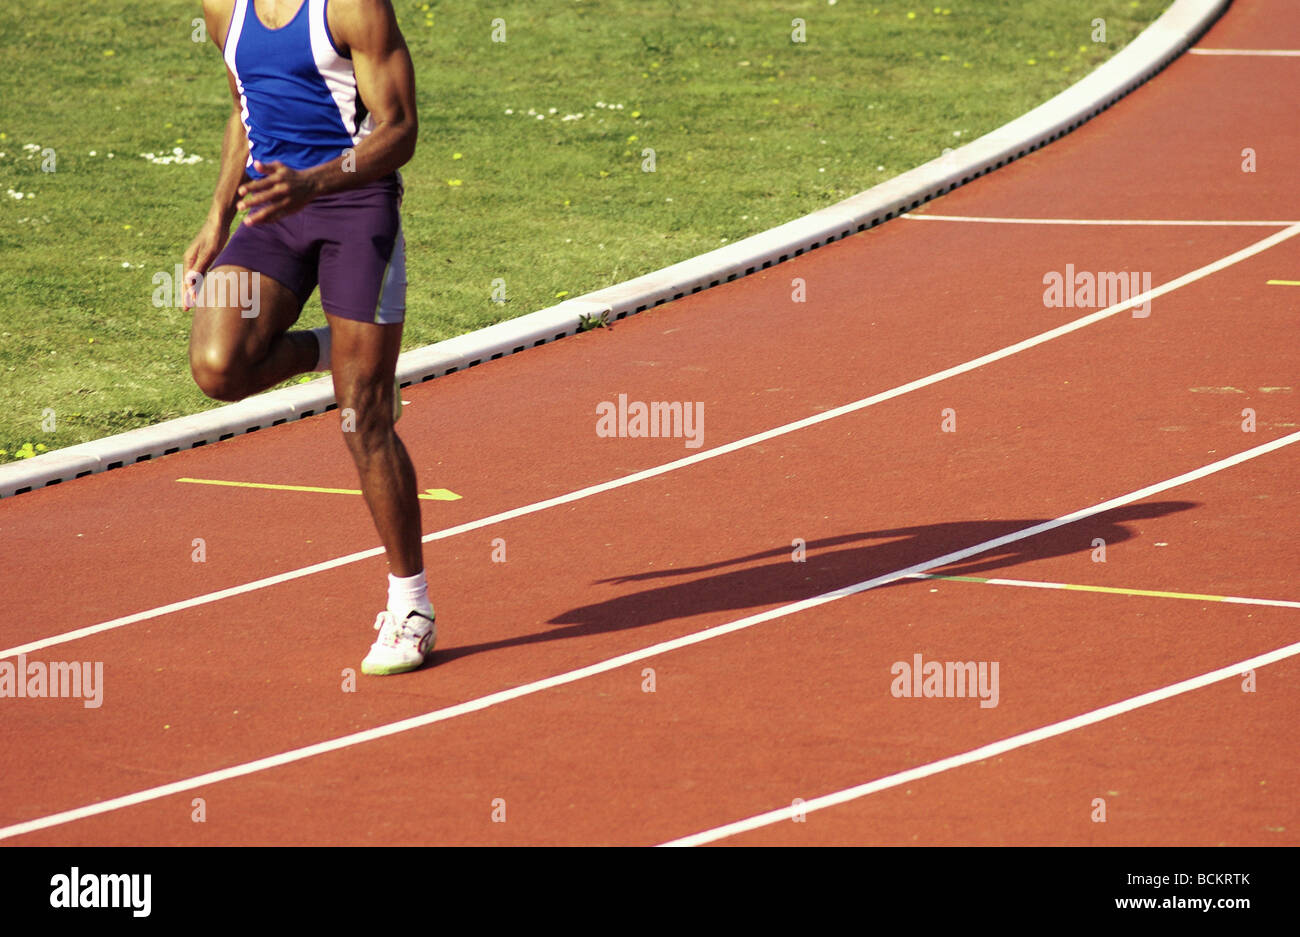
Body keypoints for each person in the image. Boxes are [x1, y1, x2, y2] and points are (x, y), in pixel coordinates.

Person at [184, 0, 434, 675]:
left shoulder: (352, 7)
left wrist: (317, 181)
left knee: (364, 419)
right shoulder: (221, 10)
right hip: (272, 208)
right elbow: (244, 107)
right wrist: (214, 217)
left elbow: (402, 128)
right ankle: (338, 351)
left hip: (357, 207)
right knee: (218, 366)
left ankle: (411, 605)